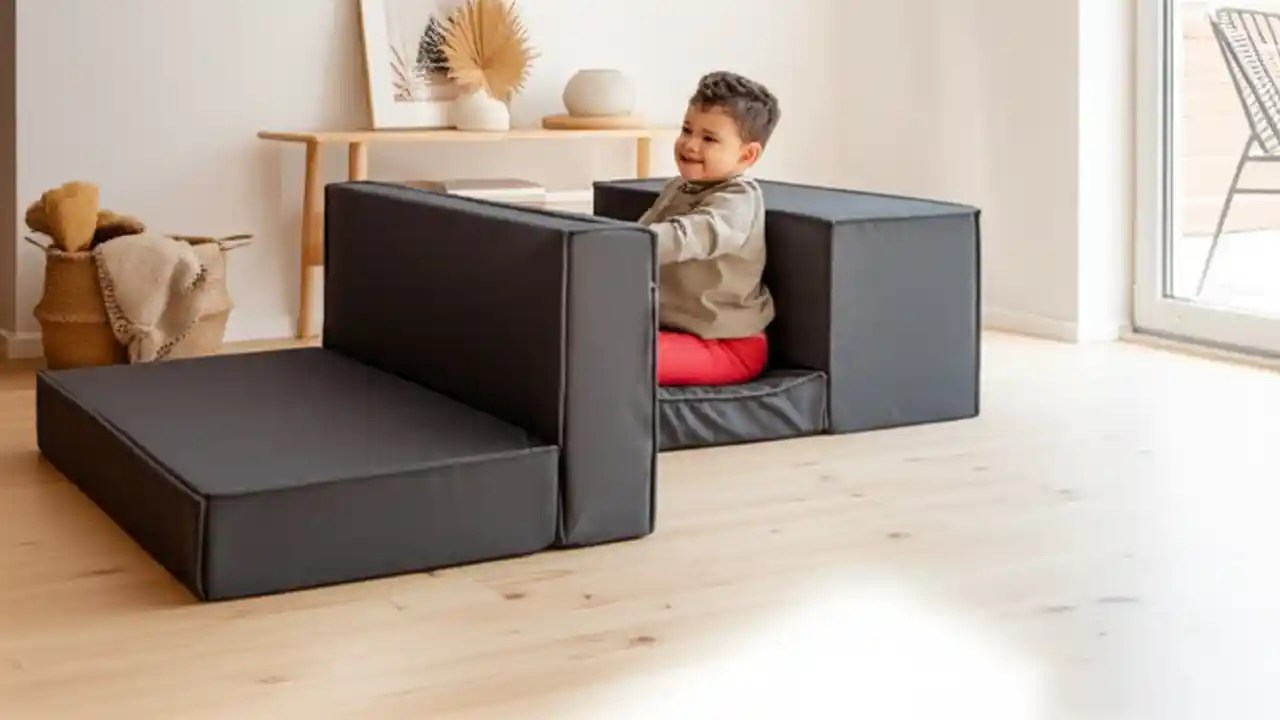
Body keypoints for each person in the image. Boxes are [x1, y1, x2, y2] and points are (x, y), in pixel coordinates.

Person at [639, 71, 780, 386]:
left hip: (729, 345)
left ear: (747, 154)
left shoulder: (739, 198)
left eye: (709, 139)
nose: (690, 144)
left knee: (618, 354)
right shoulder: (680, 188)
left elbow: (695, 234)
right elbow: (643, 230)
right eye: (687, 130)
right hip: (675, 331)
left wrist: (628, 244)